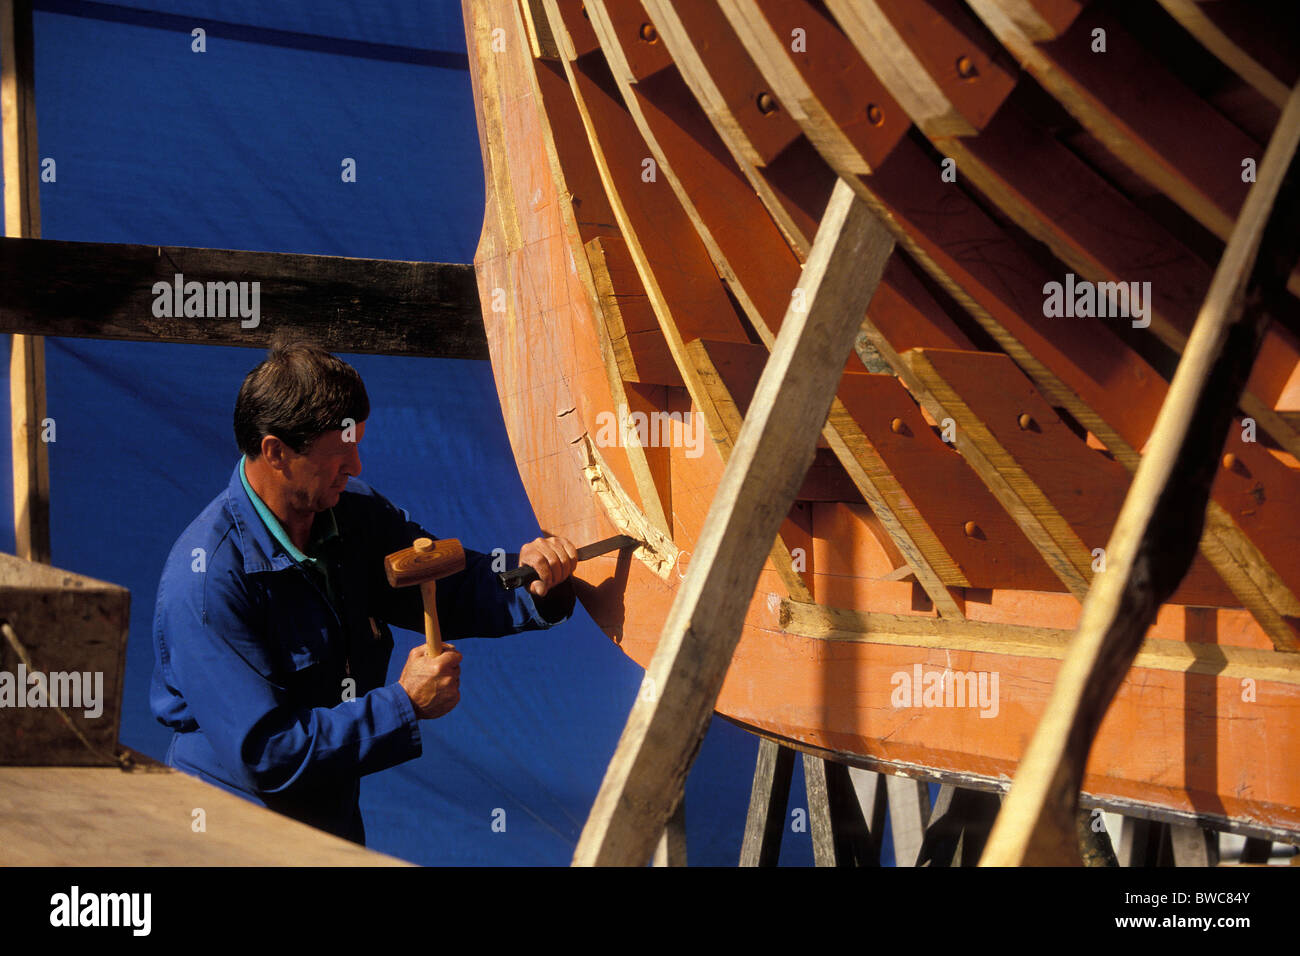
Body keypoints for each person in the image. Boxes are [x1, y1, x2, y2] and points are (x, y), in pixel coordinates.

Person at [150, 340, 577, 845]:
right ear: (276, 451)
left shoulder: (352, 515)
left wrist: (532, 582)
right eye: (339, 451)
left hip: (330, 817)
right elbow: (270, 753)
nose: (355, 465)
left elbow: (445, 581)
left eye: (357, 444)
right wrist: (404, 704)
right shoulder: (206, 582)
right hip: (233, 833)